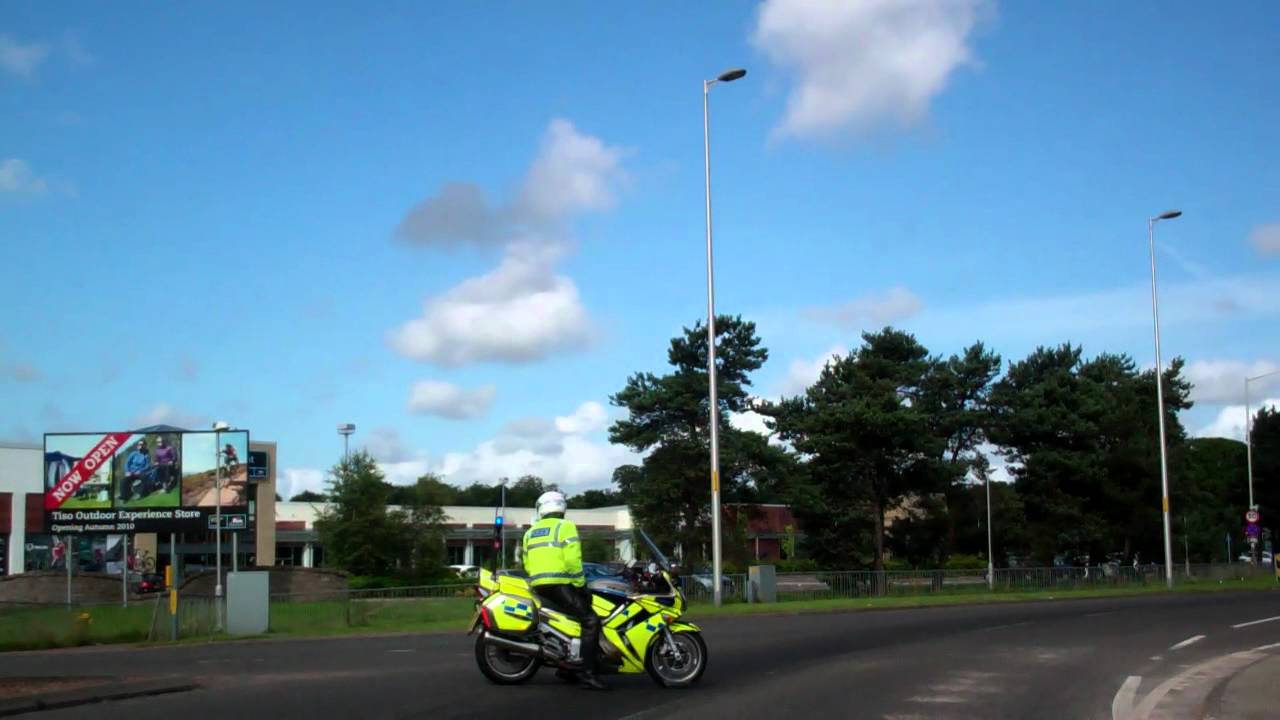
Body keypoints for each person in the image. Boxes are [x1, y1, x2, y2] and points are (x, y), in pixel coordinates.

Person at [521, 490, 606, 690]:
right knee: (591, 621)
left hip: (538, 586)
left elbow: (525, 561)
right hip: (559, 584)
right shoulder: (565, 527)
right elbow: (572, 561)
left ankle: (568, 666)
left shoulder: (530, 532)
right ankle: (587, 673)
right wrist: (580, 585)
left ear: (541, 509)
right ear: (561, 507)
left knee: (572, 621)